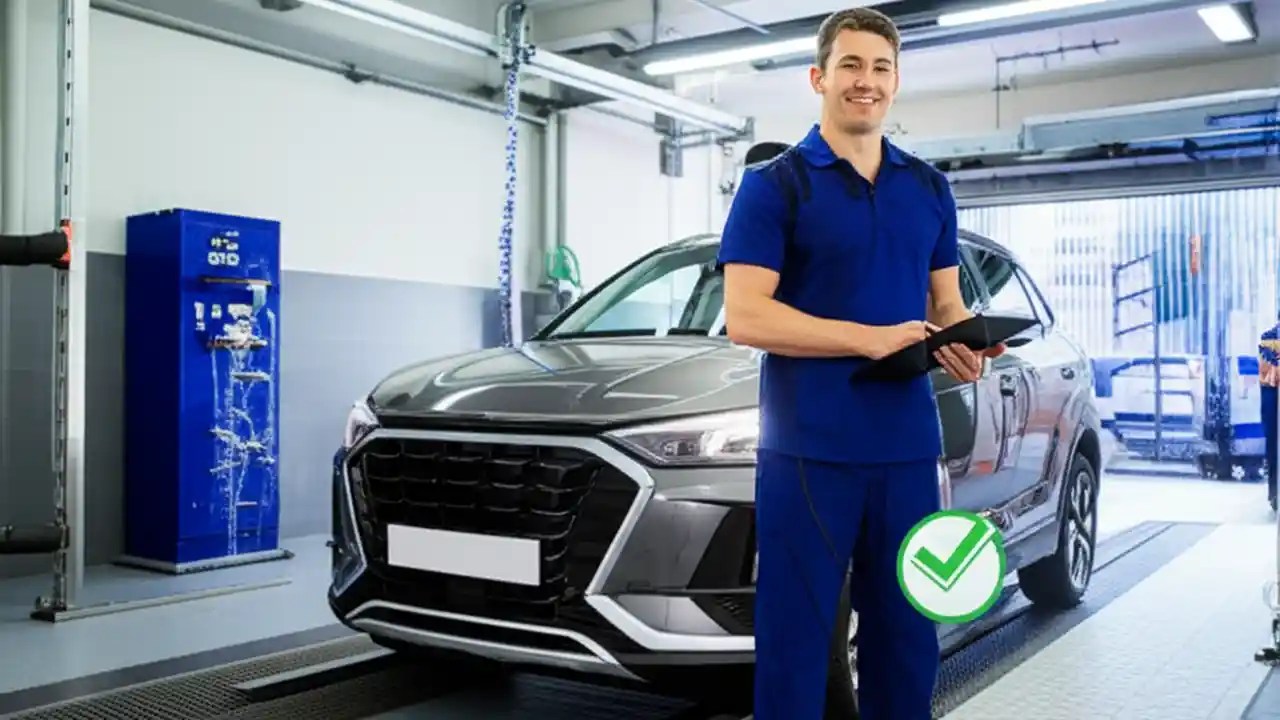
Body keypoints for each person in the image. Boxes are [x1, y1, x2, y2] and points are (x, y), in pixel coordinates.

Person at [718, 7, 1004, 720]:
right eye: (850, 64)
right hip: (807, 451)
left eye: (880, 68)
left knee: (907, 638)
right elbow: (747, 316)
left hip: (906, 448)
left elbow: (945, 301)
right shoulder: (775, 185)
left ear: (896, 82)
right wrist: (865, 338)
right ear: (819, 77)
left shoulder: (929, 188)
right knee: (795, 642)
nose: (865, 81)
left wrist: (968, 339)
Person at [1262, 313, 1279, 510]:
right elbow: (1268, 378)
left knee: (1274, 448)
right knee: (1274, 448)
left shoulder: (1268, 337)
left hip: (1272, 403)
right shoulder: (1269, 338)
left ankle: (1274, 492)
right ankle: (1274, 493)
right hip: (1274, 403)